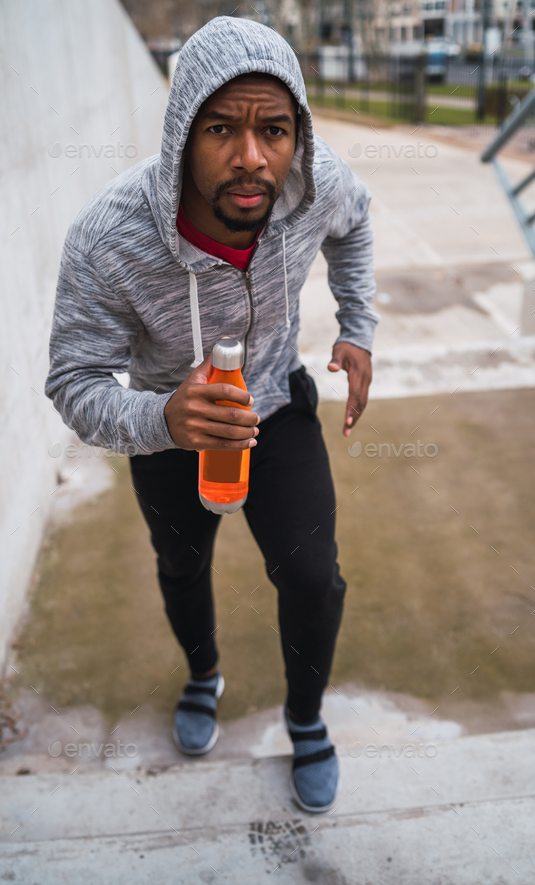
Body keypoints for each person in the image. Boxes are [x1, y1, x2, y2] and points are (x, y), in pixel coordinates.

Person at [45, 16, 378, 813]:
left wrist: (357, 327)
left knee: (312, 576)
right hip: (168, 431)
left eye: (274, 129)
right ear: (180, 134)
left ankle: (305, 719)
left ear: (298, 133)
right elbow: (72, 380)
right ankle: (203, 675)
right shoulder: (107, 238)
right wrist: (165, 418)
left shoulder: (313, 183)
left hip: (272, 407)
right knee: (182, 565)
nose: (252, 157)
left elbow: (356, 222)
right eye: (221, 128)